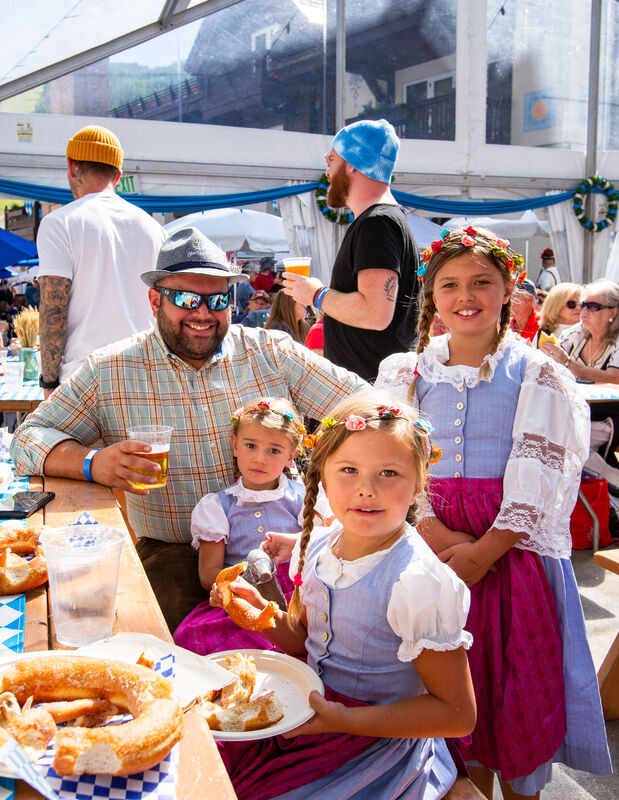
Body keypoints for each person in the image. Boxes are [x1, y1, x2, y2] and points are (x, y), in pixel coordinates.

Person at [10, 227, 368, 632]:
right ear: (154, 300)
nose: (202, 313)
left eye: (217, 300)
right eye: (185, 298)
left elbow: (366, 406)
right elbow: (28, 436)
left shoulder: (270, 352)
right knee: (173, 651)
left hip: (283, 549)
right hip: (174, 552)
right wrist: (94, 463)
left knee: (333, 640)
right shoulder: (110, 369)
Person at [375, 228, 611, 799]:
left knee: (515, 693)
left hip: (511, 558)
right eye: (450, 284)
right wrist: (431, 528)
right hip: (431, 555)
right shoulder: (408, 372)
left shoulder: (538, 373)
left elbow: (544, 475)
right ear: (432, 295)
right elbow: (395, 463)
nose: (466, 296)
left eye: (482, 282)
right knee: (455, 699)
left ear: (509, 290)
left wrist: (483, 552)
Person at [212, 392, 476, 800]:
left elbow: (457, 715)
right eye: (349, 470)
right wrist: (259, 612)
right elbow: (305, 640)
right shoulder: (319, 545)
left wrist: (346, 719)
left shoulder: (418, 582)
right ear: (321, 474)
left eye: (388, 473)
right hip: (310, 713)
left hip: (373, 744)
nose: (365, 489)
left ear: (419, 481)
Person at [174, 396, 331, 655]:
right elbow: (208, 574)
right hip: (244, 593)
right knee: (192, 639)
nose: (260, 459)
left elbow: (322, 549)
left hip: (299, 596)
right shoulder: (218, 506)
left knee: (309, 639)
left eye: (274, 450)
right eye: (251, 445)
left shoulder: (304, 496)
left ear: (292, 455)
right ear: (235, 445)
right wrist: (246, 582)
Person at [283, 119, 419, 382]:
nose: (328, 172)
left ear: (354, 163)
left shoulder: (377, 223)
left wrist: (315, 294)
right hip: (373, 393)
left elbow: (375, 314)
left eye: (331, 160)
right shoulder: (382, 220)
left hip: (369, 397)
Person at [36, 124, 166, 396]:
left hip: (83, 379)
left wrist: (48, 381)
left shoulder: (59, 223)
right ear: (118, 175)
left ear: (72, 167)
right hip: (144, 374)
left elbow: (53, 310)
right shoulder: (153, 228)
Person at [542, 280, 619, 466]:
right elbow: (549, 361)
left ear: (613, 312)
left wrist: (569, 363)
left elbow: (614, 377)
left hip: (607, 417)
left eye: (593, 306)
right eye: (582, 304)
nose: (584, 311)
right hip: (573, 412)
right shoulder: (575, 333)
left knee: (561, 447)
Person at [531, 282, 582, 348]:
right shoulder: (542, 334)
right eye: (572, 304)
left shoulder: (589, 333)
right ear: (556, 306)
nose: (578, 308)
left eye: (581, 304)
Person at [509, 277, 539, 342]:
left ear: (529, 299)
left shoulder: (542, 326)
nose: (506, 300)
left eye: (513, 296)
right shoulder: (506, 326)